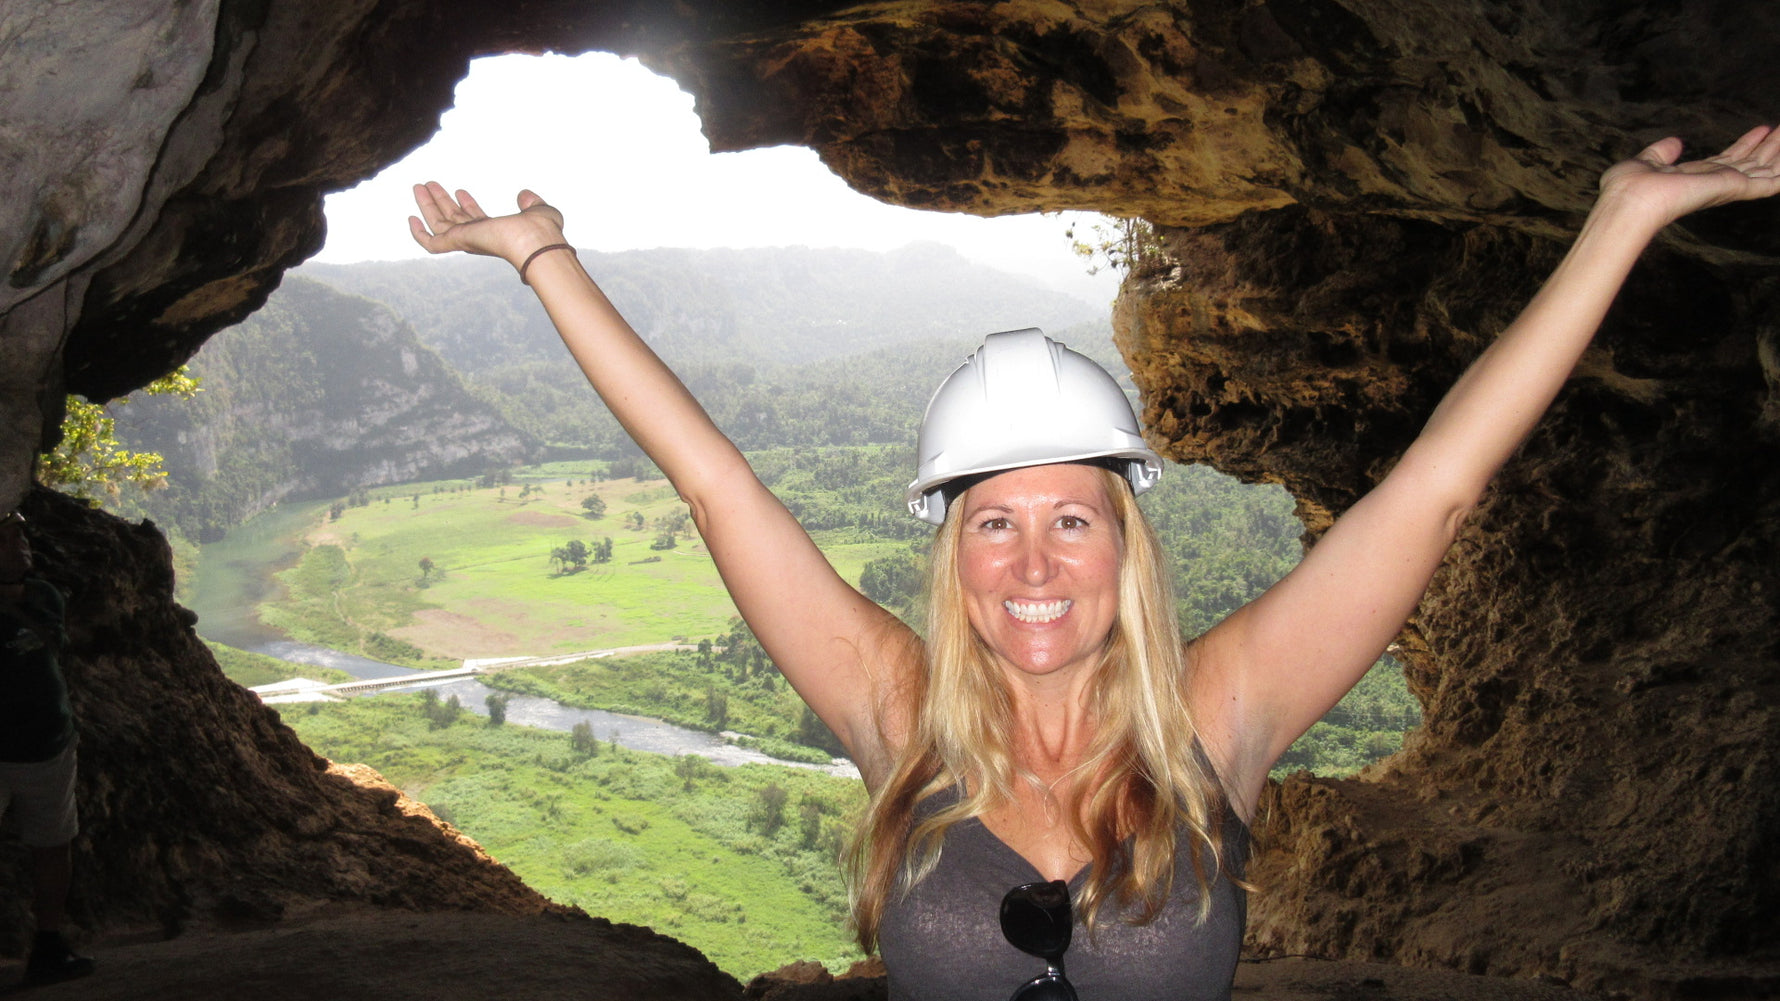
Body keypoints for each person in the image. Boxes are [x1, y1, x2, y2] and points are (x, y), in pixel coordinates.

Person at [409, 124, 1780, 1000]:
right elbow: (717, 488)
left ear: (1128, 541)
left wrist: (1623, 218)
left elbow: (1434, 491)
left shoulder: (1220, 712)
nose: (1033, 562)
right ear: (952, 554)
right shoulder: (895, 713)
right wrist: (545, 259)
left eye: (1072, 517)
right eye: (992, 522)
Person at [0, 511, 95, 985]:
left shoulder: (44, 596)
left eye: (21, 534)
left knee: (55, 846)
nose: (21, 545)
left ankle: (50, 945)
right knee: (52, 844)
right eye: (6, 537)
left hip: (49, 746)